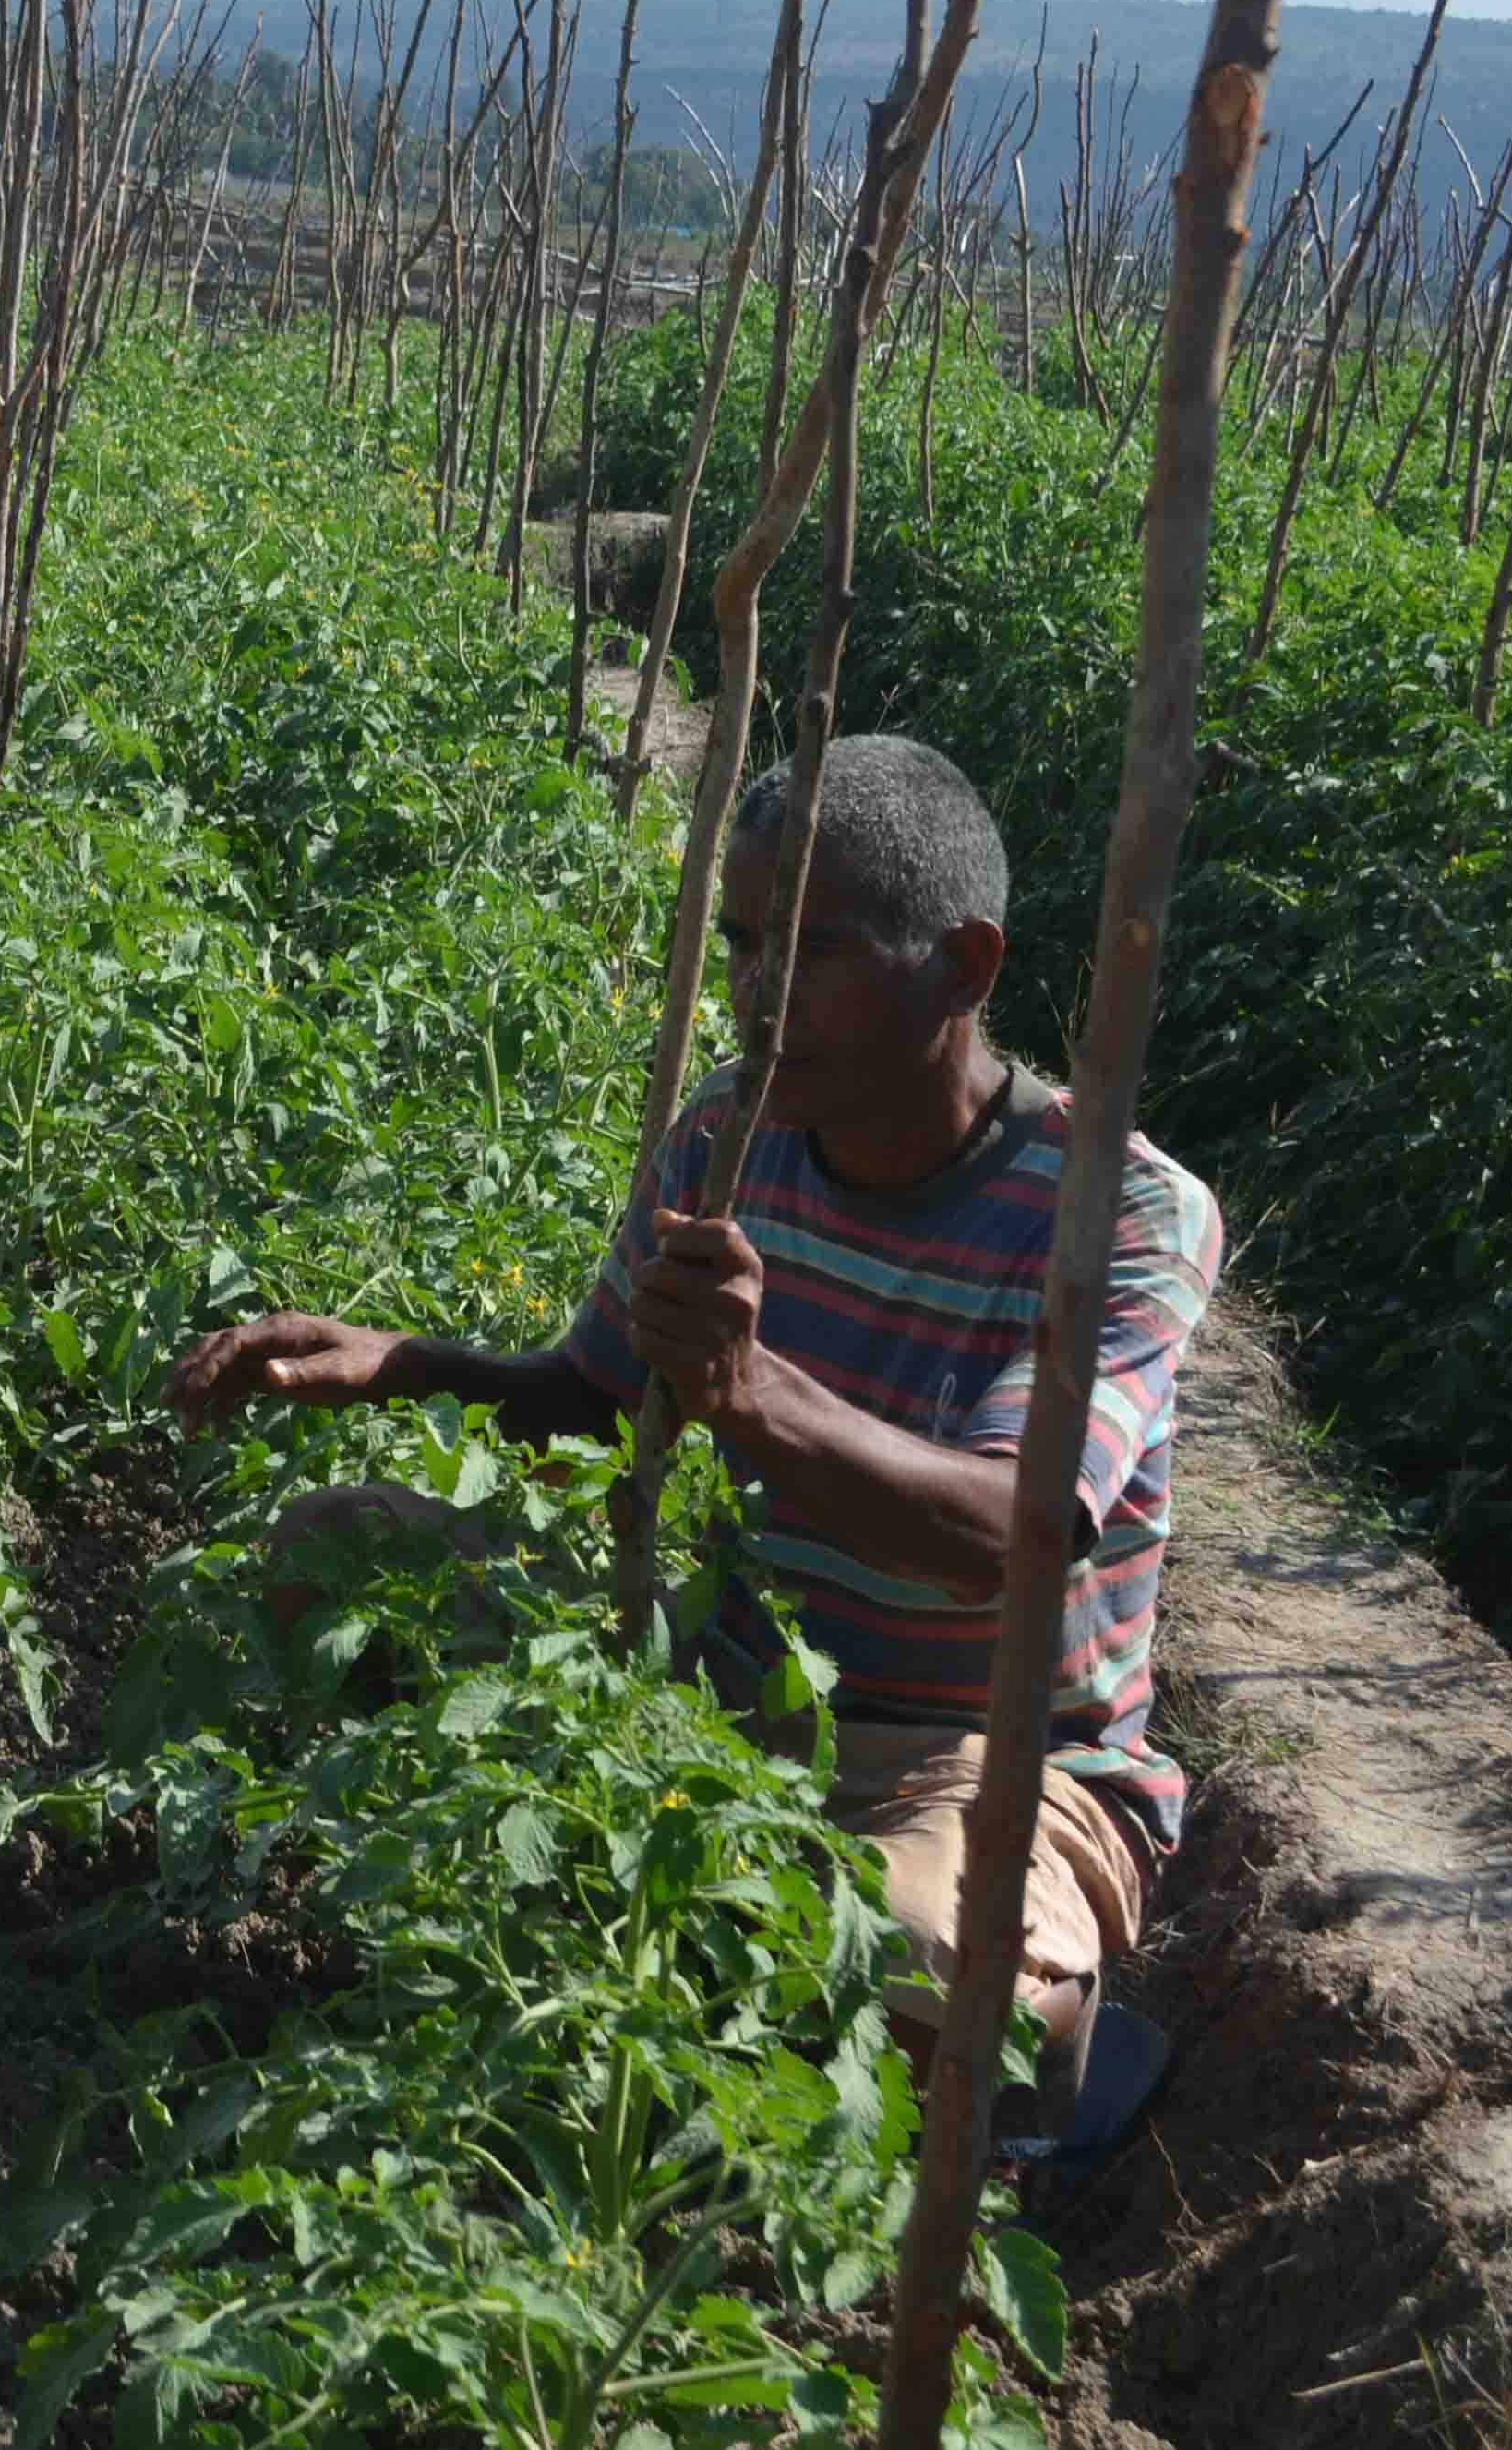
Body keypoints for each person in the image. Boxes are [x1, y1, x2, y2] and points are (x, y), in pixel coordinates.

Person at [169, 736, 1222, 2058]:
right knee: (337, 1555)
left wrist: (752, 1391)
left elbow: (1006, 1537)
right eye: (738, 945)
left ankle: (1055, 2052)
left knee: (893, 1954)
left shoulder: (1116, 1215)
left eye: (812, 951)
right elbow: (611, 1396)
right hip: (721, 1684)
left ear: (964, 966)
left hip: (987, 1763)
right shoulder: (734, 1131)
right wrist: (406, 1364)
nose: (756, 996)